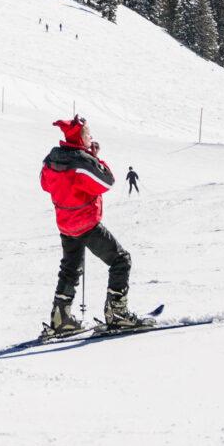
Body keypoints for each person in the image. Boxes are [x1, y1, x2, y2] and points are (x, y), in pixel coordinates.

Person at [40, 115, 151, 335]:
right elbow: (106, 181)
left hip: (65, 223)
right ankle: (117, 314)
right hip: (86, 222)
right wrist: (94, 158)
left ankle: (61, 317)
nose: (91, 138)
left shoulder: (53, 158)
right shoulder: (82, 160)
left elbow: (45, 184)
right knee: (121, 260)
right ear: (80, 138)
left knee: (70, 269)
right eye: (88, 134)